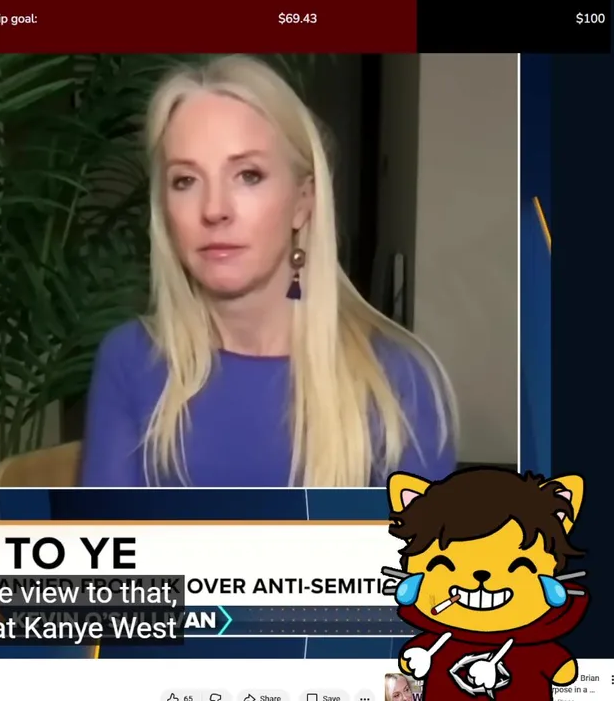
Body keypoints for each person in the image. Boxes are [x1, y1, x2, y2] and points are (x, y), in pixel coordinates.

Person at [80, 55, 457, 487]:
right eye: (185, 180)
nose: (214, 209)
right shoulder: (129, 360)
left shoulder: (398, 381)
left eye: (248, 175)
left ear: (303, 201)